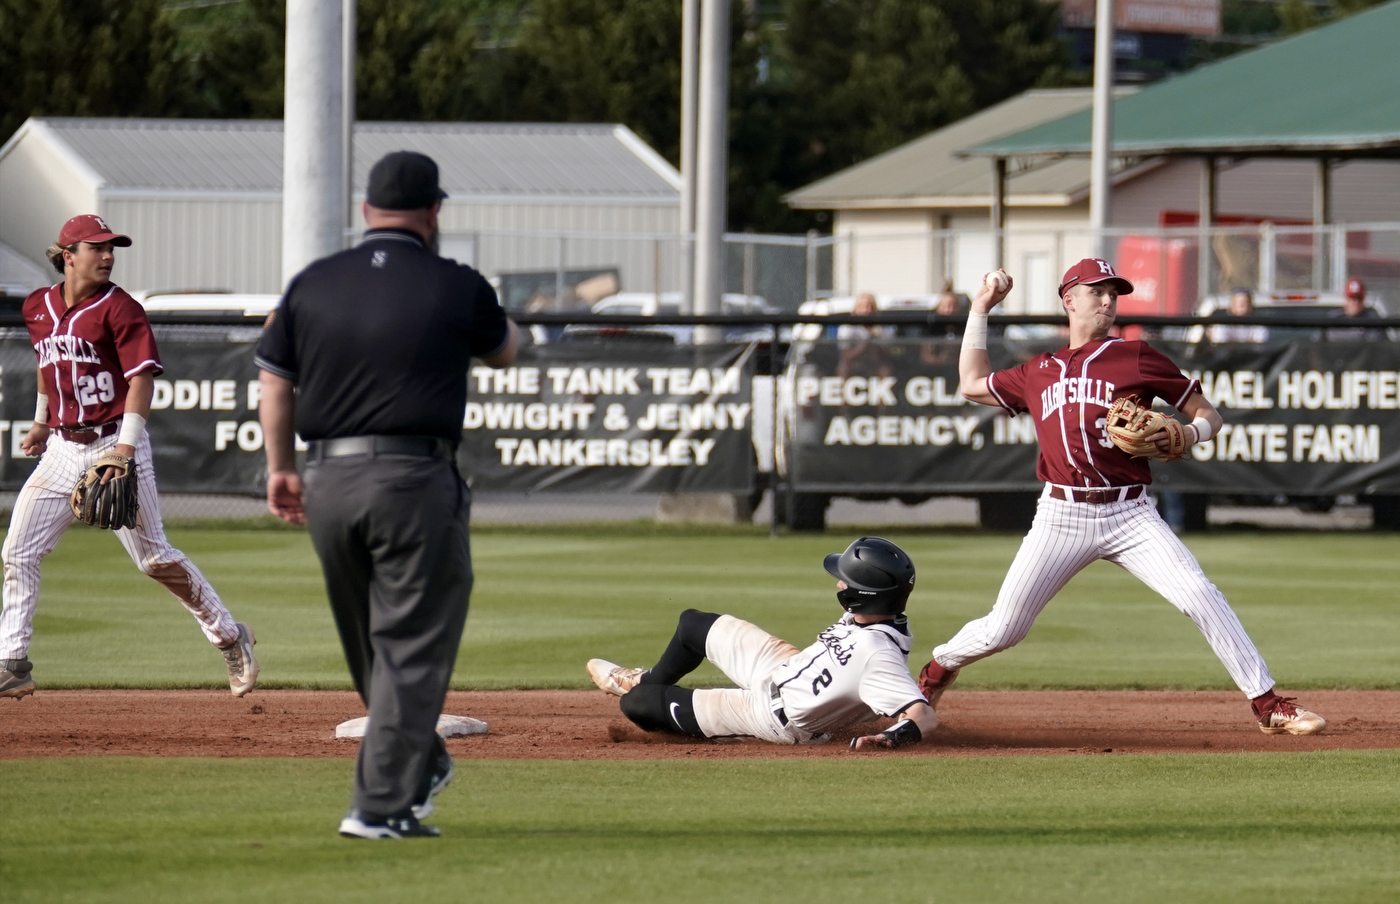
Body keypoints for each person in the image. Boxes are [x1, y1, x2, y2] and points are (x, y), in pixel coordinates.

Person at [915, 258, 1326, 737]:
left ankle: (1268, 704)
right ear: (1069, 300)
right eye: (1097, 291)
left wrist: (1189, 435)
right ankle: (936, 671)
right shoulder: (1039, 370)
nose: (1109, 300)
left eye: (1114, 292)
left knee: (1198, 593)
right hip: (1061, 515)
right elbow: (970, 383)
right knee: (1004, 629)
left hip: (1130, 513)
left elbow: (1209, 414)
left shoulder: (1137, 356)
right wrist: (981, 308)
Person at [256, 151, 519, 839]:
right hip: (412, 479)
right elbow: (506, 350)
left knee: (371, 647)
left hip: (327, 481)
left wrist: (279, 467)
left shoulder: (313, 282)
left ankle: (419, 760)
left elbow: (275, 380)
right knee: (409, 643)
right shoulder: (456, 283)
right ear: (434, 213)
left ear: (366, 210)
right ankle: (377, 808)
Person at [0, 215, 257, 701]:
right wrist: (39, 420)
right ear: (67, 255)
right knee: (18, 550)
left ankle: (229, 635)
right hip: (60, 446)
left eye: (112, 247)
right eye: (97, 247)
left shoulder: (120, 307)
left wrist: (123, 450)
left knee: (154, 558)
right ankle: (12, 662)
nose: (108, 255)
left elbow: (141, 379)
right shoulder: (38, 306)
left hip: (114, 442)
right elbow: (45, 364)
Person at [586, 537, 938, 751]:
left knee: (638, 705)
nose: (838, 585)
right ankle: (646, 678)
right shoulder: (874, 617)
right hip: (782, 668)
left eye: (844, 582)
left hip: (772, 719)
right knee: (691, 623)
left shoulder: (878, 654)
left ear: (863, 595)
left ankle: (648, 692)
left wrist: (889, 740)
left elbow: (923, 717)